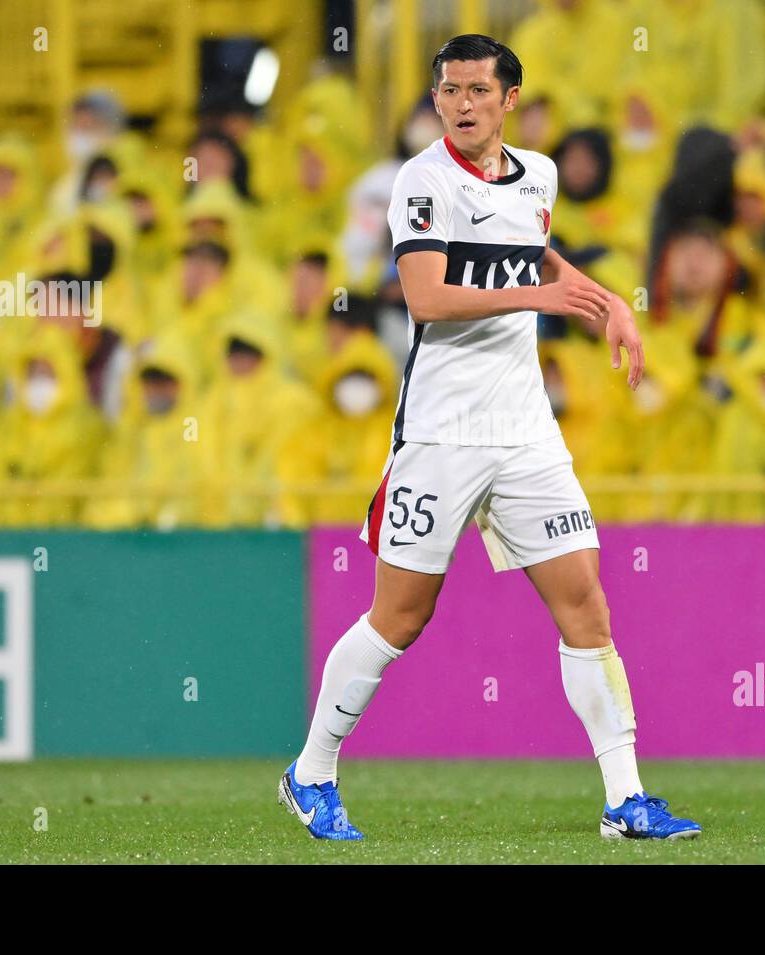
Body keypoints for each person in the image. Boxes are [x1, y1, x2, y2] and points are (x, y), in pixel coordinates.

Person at [278, 34, 700, 842]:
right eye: (448, 90)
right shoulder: (421, 182)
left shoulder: (537, 176)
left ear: (511, 99)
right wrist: (541, 299)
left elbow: (528, 246)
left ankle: (625, 799)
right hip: (441, 431)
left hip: (525, 430)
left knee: (586, 603)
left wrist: (604, 300)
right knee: (399, 616)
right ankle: (311, 770)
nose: (461, 104)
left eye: (477, 89)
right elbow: (428, 297)